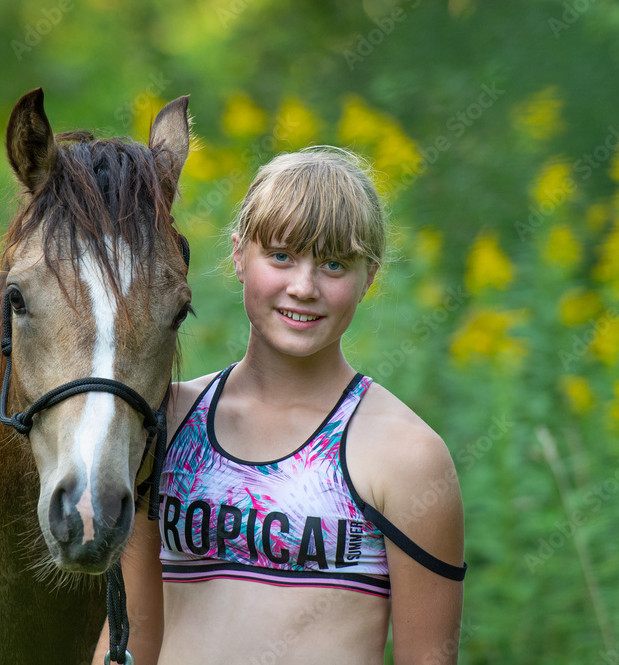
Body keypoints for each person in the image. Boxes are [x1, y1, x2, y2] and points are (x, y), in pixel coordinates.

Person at [94, 146, 466, 665]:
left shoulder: (406, 457)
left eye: (334, 263)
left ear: (370, 276)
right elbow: (130, 639)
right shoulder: (165, 422)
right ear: (239, 254)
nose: (303, 287)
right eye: (282, 256)